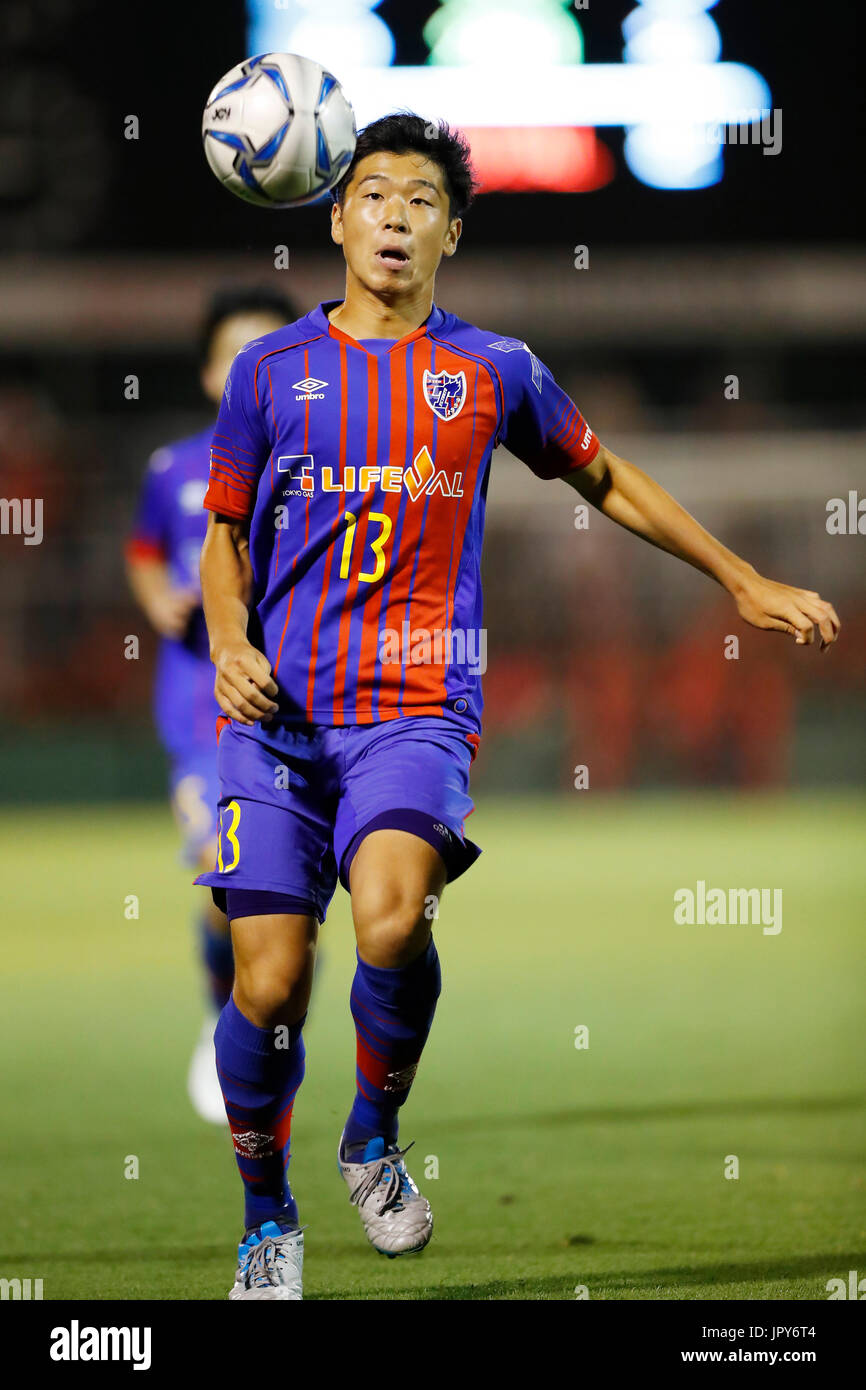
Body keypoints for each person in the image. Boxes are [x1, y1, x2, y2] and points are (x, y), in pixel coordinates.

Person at [196, 114, 840, 1299]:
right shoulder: (268, 374)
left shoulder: (489, 370)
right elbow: (224, 534)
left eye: (421, 201)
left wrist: (740, 576)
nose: (395, 216)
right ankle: (265, 1216)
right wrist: (228, 634)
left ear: (453, 230)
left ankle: (371, 1137)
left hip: (413, 708)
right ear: (334, 219)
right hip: (275, 722)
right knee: (265, 985)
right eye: (374, 195)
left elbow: (605, 475)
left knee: (392, 921)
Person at [126, 286, 297, 1122]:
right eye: (235, 352)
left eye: (269, 348)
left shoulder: (324, 460)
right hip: (203, 712)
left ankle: (264, 1025)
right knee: (216, 877)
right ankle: (219, 1017)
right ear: (207, 373)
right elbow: (144, 550)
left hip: (304, 709)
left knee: (287, 911)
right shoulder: (174, 470)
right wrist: (156, 593)